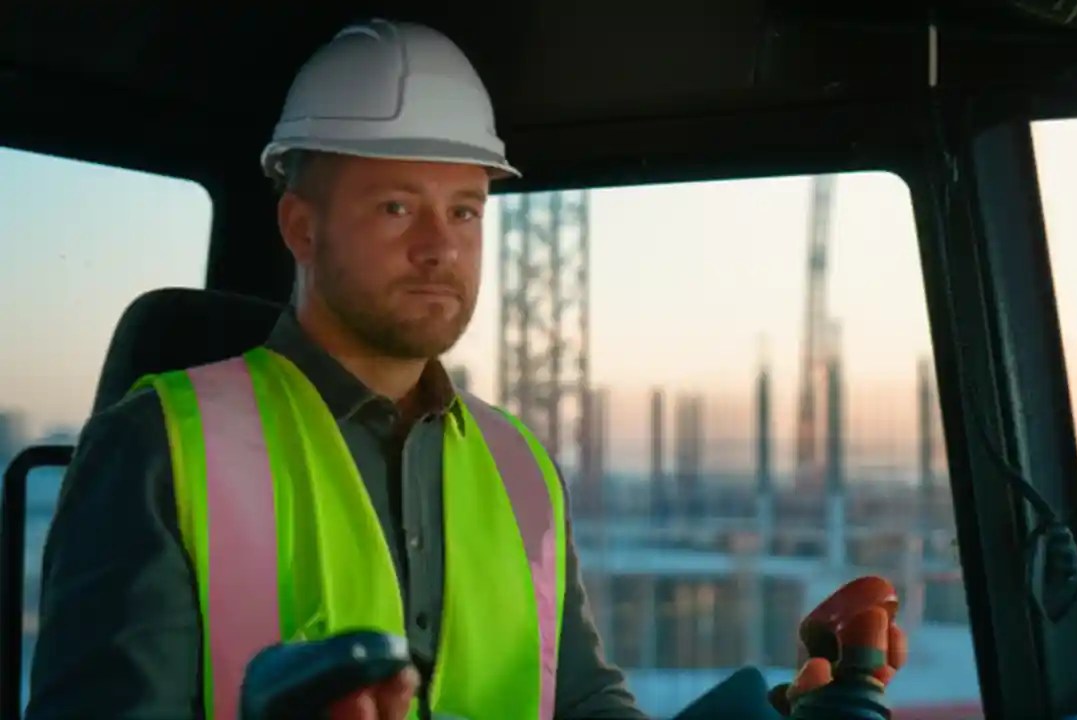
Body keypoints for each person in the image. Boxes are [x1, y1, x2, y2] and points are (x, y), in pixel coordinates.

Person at [26, 18, 645, 720]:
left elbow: (581, 696)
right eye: (397, 206)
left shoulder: (522, 465)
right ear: (301, 229)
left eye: (465, 211)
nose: (439, 246)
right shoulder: (154, 446)